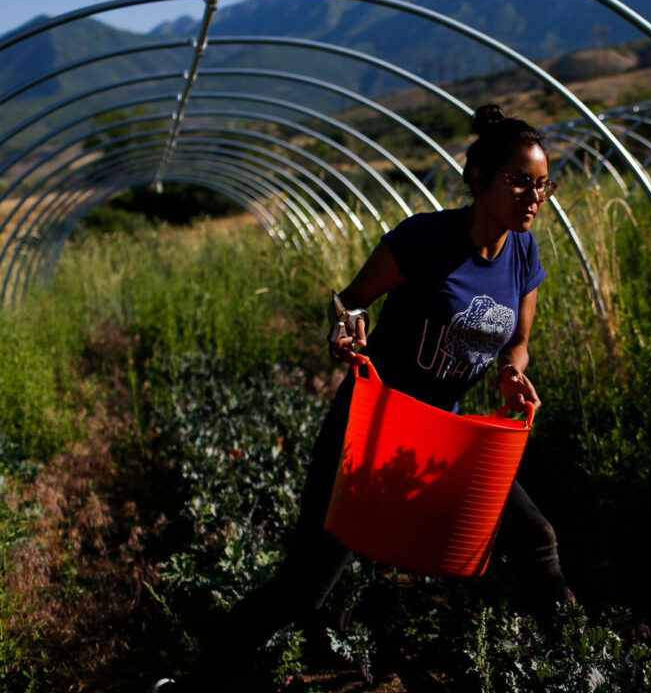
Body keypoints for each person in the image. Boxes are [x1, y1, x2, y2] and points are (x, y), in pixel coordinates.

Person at [155, 104, 570, 692]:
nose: (535, 196)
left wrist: (510, 371)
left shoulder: (523, 253)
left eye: (543, 184)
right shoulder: (426, 239)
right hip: (373, 428)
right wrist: (346, 331)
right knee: (303, 589)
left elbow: (519, 342)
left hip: (447, 436)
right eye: (521, 181)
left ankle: (577, 668)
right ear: (480, 179)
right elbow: (349, 302)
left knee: (537, 538)